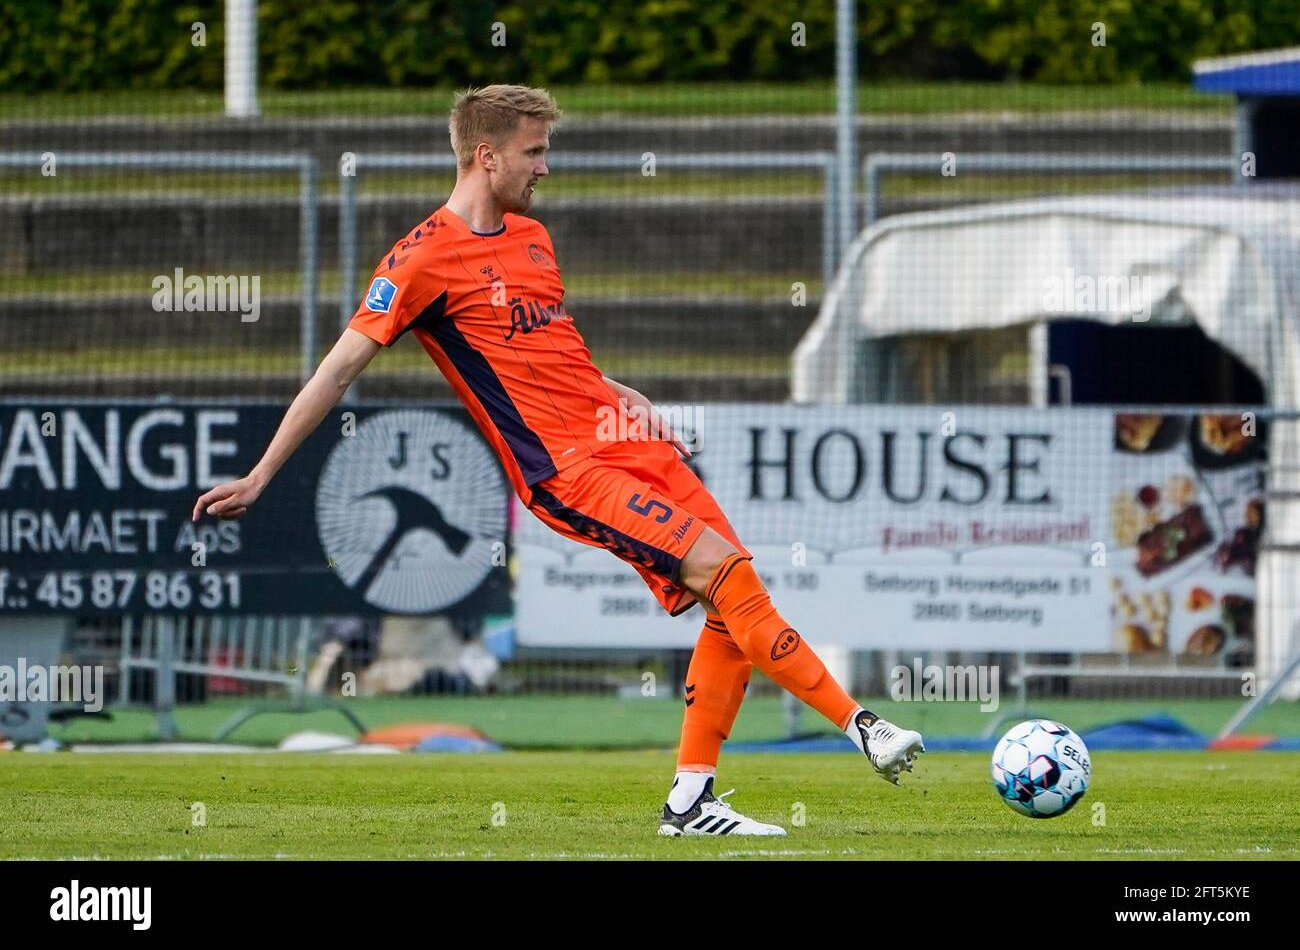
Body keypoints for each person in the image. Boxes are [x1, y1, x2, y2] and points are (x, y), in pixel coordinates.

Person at [192, 84, 924, 837]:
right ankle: (863, 726)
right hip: (566, 470)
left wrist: (624, 394)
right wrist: (260, 474)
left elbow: (557, 356)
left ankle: (691, 803)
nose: (545, 166)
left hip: (624, 438)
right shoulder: (420, 260)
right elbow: (337, 372)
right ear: (487, 156)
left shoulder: (534, 240)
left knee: (731, 596)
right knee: (728, 576)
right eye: (534, 151)